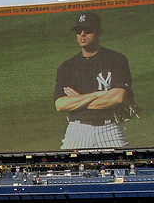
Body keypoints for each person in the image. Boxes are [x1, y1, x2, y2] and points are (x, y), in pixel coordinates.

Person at [54, 12, 138, 149]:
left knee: (123, 169)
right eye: (78, 31)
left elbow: (118, 97)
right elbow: (60, 104)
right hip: (77, 130)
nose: (82, 34)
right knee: (68, 170)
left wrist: (78, 100)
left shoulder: (116, 60)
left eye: (87, 30)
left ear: (99, 32)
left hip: (109, 129)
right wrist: (98, 94)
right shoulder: (67, 66)